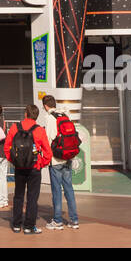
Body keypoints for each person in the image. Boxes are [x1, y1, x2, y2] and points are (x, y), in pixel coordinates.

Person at [3, 103, 50, 234]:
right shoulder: (39, 130)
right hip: (34, 167)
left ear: (25, 114)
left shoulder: (14, 127)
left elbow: (7, 147)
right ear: (36, 116)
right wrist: (41, 163)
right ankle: (29, 226)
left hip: (19, 168)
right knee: (32, 197)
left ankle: (16, 224)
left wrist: (14, 161)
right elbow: (48, 152)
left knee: (18, 196)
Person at [39, 95, 79, 231]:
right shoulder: (65, 115)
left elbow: (49, 139)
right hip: (68, 157)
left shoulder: (50, 118)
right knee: (69, 189)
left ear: (45, 105)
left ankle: (57, 221)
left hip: (56, 160)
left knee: (56, 191)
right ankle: (74, 220)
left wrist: (45, 157)